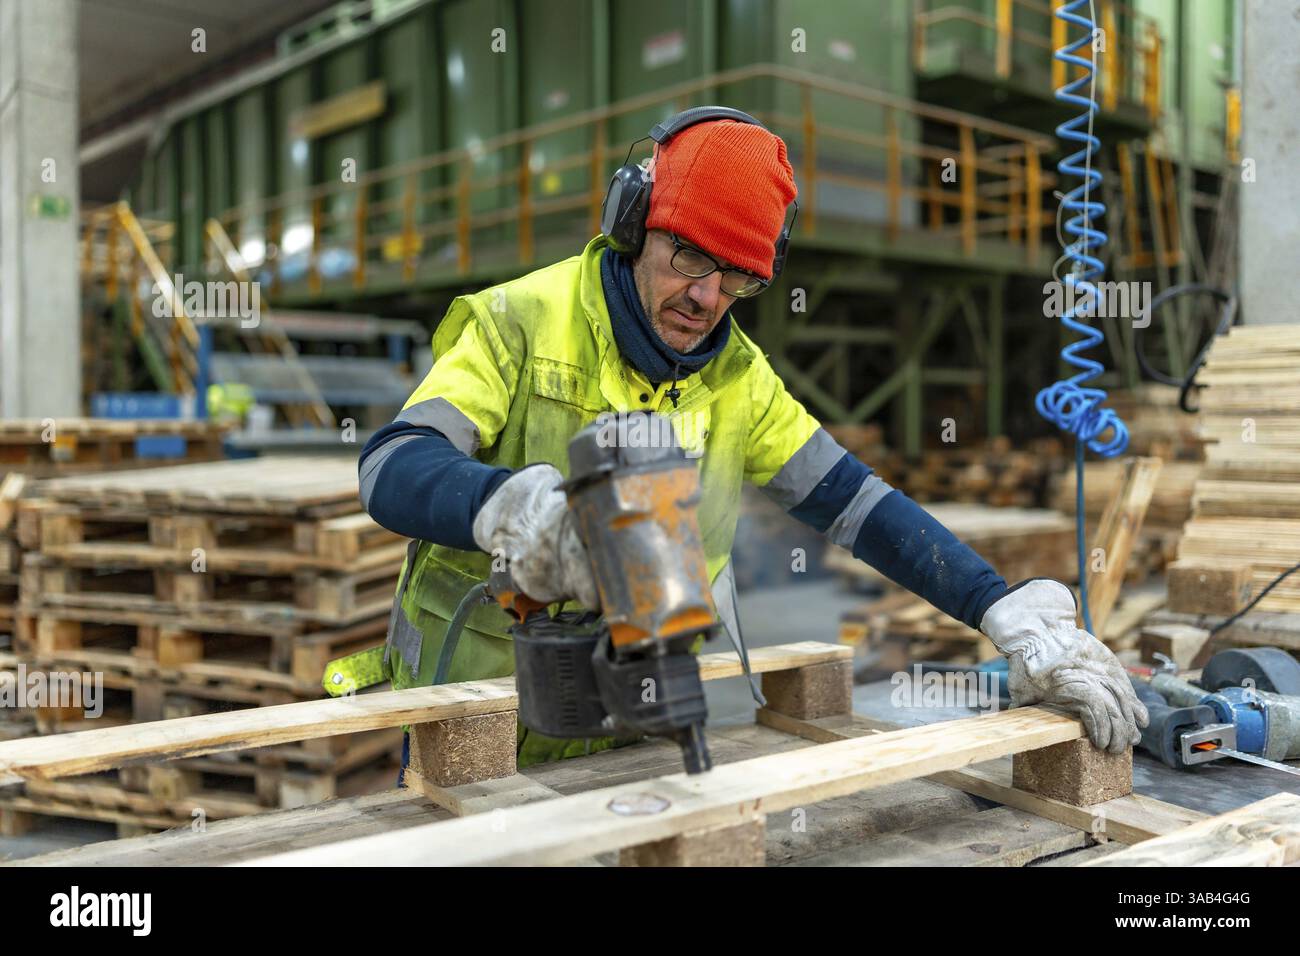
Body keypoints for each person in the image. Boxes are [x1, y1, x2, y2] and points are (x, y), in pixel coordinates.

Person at [359, 107, 1147, 769]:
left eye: (737, 276)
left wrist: (997, 605)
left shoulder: (739, 377)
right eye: (688, 256)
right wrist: (514, 511)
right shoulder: (521, 322)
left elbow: (857, 505)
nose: (706, 297)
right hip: (475, 720)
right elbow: (391, 464)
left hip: (632, 729)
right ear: (633, 223)